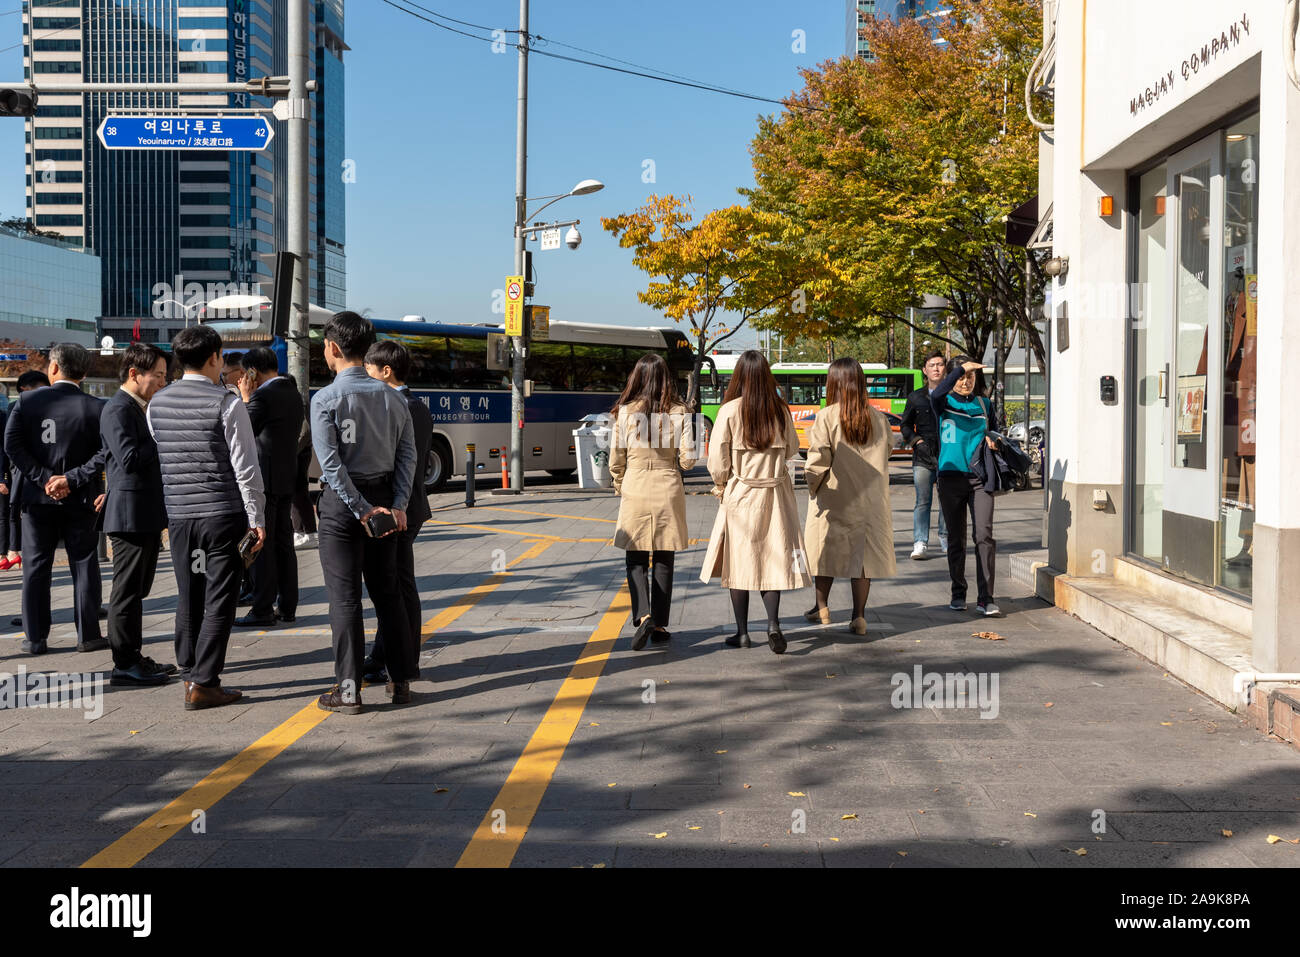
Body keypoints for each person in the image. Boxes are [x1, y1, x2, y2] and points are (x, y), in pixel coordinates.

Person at [148, 325, 265, 710]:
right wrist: (256, 517)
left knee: (189, 593)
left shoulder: (157, 403)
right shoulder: (227, 403)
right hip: (221, 512)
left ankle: (189, 672)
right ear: (215, 357)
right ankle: (205, 682)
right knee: (220, 599)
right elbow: (245, 467)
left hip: (179, 514)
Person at [311, 312, 417, 714]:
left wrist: (360, 509)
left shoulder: (324, 399)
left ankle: (350, 690)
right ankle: (400, 679)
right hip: (386, 497)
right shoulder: (393, 396)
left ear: (334, 348)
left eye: (324, 346)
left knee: (345, 599)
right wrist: (398, 505)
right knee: (388, 592)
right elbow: (409, 456)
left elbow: (331, 464)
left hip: (343, 505)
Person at [699, 350, 809, 654]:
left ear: (739, 377)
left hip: (742, 493)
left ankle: (743, 633)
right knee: (774, 557)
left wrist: (721, 485)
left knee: (740, 560)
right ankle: (773, 624)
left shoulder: (730, 410)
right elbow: (792, 450)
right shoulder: (780, 410)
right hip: (776, 494)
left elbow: (717, 460)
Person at [3, 344, 107, 655]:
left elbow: (12, 446)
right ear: (85, 373)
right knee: (85, 564)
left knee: (36, 567)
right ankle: (87, 634)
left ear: (53, 367)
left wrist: (43, 477)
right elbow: (105, 453)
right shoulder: (96, 407)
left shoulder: (25, 401)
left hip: (37, 498)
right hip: (81, 498)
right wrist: (71, 479)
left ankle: (35, 637)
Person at [608, 353, 697, 650]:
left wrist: (621, 485)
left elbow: (615, 459)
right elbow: (688, 461)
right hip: (667, 485)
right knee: (663, 557)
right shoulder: (680, 411)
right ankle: (659, 623)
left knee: (635, 558)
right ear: (666, 378)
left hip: (635, 484)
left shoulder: (624, 412)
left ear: (637, 378)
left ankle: (643, 614)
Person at [803, 357, 897, 635]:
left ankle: (821, 607)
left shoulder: (827, 416)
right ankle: (859, 616)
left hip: (834, 496)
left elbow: (817, 459)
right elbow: (888, 451)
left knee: (825, 551)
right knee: (863, 559)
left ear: (835, 383)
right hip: (870, 500)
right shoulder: (878, 418)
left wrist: (813, 486)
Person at [101, 342, 176, 685]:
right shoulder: (118, 409)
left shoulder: (138, 408)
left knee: (138, 589)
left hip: (143, 512)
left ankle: (133, 656)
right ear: (134, 374)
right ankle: (124, 662)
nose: (162, 382)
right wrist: (160, 436)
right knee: (127, 592)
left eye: (165, 375)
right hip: (129, 514)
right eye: (158, 375)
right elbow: (128, 458)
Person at [361, 339, 432, 683]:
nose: (366, 376)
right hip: (407, 507)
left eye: (369, 370)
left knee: (400, 587)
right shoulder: (415, 404)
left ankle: (405, 661)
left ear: (386, 371)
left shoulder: (399, 406)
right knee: (396, 585)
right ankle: (387, 656)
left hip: (400, 509)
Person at [235, 347, 304, 627]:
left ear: (253, 371)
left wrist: (245, 398)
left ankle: (262, 608)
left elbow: (243, 432)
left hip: (266, 480)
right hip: (287, 478)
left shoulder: (263, 396)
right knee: (284, 545)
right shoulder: (292, 392)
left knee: (263, 544)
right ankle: (287, 606)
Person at [931, 355, 1000, 617]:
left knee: (984, 535)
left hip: (980, 479)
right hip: (950, 477)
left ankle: (986, 598)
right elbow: (938, 391)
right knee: (956, 538)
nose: (965, 381)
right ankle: (958, 592)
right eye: (960, 376)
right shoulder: (942, 402)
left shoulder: (984, 403)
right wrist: (960, 368)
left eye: (970, 376)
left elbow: (994, 430)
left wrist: (994, 440)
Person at [899, 351, 949, 560]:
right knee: (922, 501)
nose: (936, 368)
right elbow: (905, 425)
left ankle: (946, 539)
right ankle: (920, 542)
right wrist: (916, 441)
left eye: (939, 364)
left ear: (945, 368)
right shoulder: (915, 397)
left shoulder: (952, 396)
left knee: (947, 499)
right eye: (932, 365)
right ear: (924, 370)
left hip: (948, 454)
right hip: (923, 456)